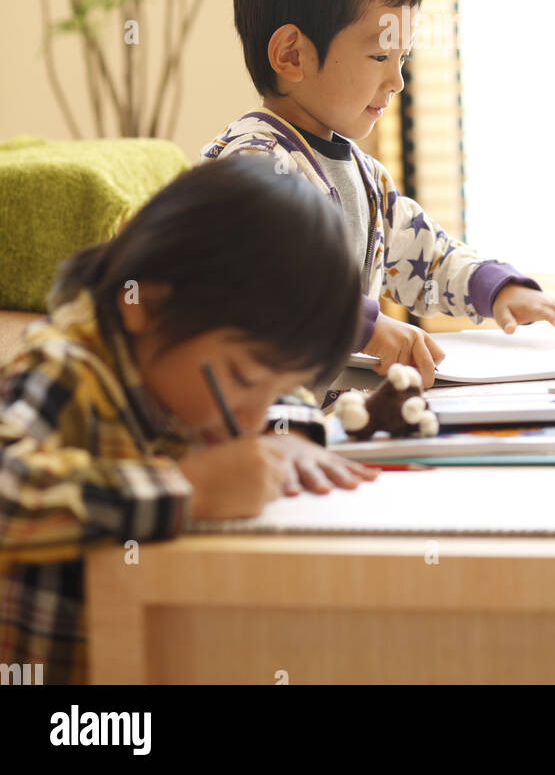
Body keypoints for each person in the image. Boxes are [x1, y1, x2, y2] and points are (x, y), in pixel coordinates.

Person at [0, 156, 377, 683]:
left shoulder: (192, 368)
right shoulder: (66, 370)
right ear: (146, 306)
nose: (249, 420)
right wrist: (186, 487)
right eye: (244, 381)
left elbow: (283, 390)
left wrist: (285, 431)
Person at [202, 0, 555, 388]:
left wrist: (497, 291)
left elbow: (426, 257)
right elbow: (262, 280)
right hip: (262, 427)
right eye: (378, 56)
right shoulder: (254, 163)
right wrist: (363, 325)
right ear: (292, 54)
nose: (397, 80)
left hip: (338, 421)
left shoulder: (366, 178)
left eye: (403, 58)